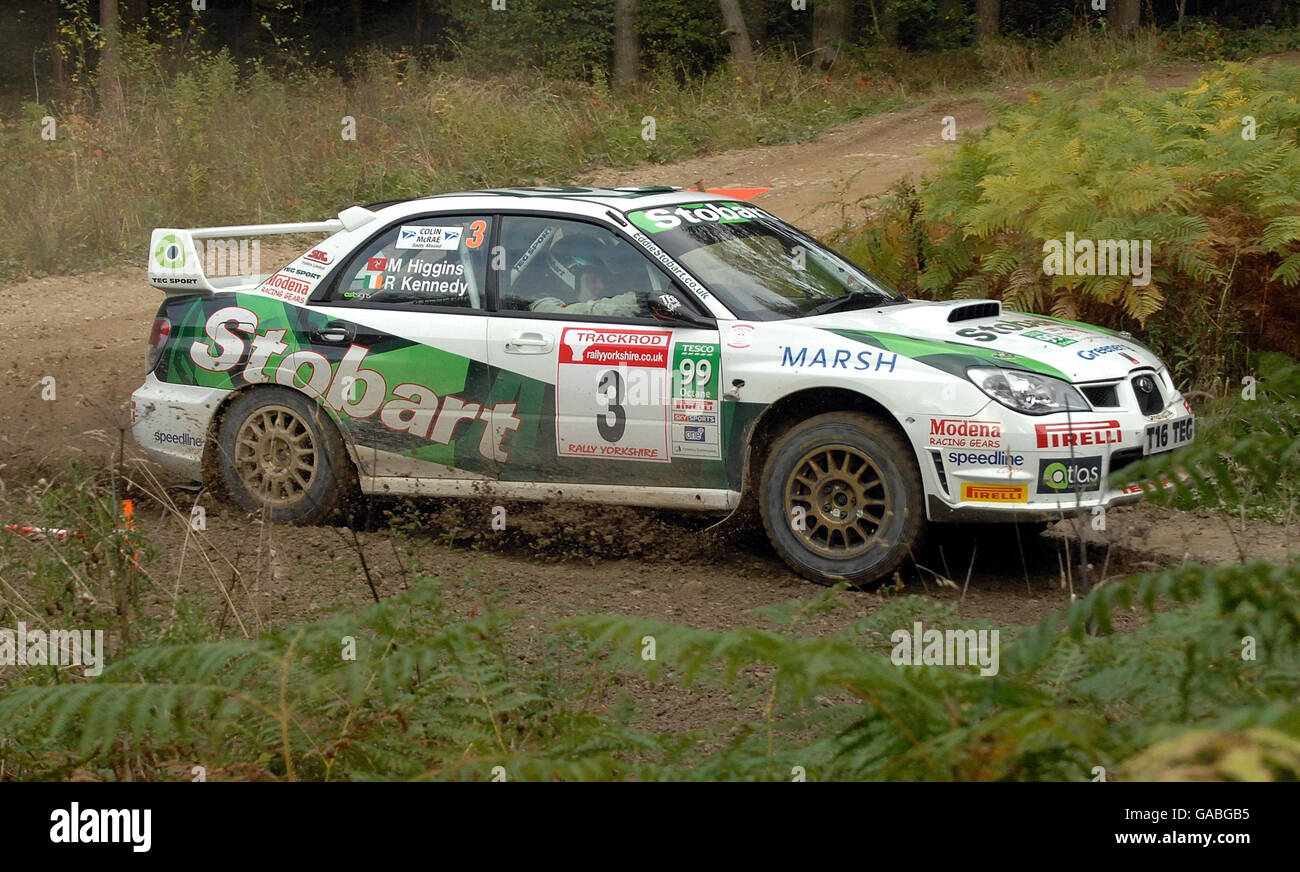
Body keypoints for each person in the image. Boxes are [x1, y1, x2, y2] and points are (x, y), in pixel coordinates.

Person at [529, 251, 641, 317]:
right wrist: (638, 301)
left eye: (602, 279)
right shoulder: (542, 304)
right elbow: (574, 312)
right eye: (592, 280)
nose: (601, 286)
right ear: (567, 279)